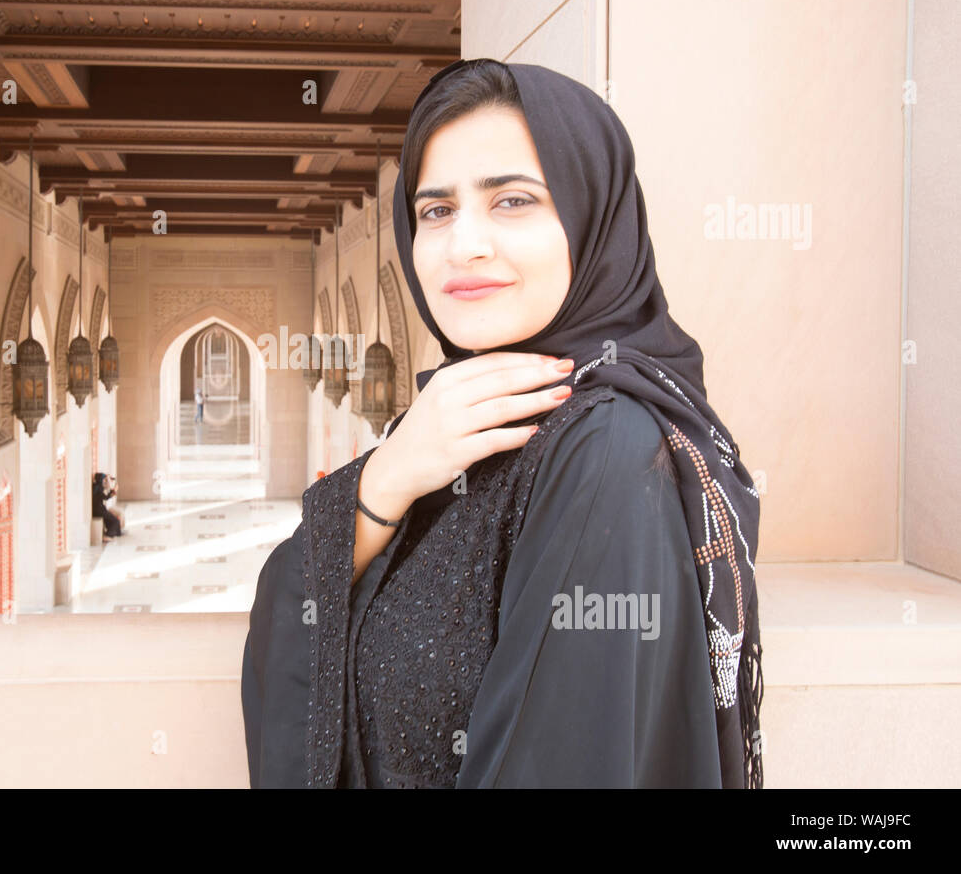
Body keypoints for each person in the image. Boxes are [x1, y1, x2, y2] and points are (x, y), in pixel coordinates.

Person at [241, 59, 763, 789]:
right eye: (436, 210)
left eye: (513, 201)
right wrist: (385, 480)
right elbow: (285, 602)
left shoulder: (605, 449)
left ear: (593, 216)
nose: (464, 245)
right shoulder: (448, 422)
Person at [91, 472, 123, 539]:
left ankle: (114, 533)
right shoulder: (97, 488)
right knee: (115, 521)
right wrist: (114, 490)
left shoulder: (97, 487)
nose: (105, 481)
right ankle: (108, 535)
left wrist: (108, 478)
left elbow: (106, 495)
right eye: (104, 480)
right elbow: (106, 497)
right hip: (98, 510)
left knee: (111, 519)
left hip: (99, 509)